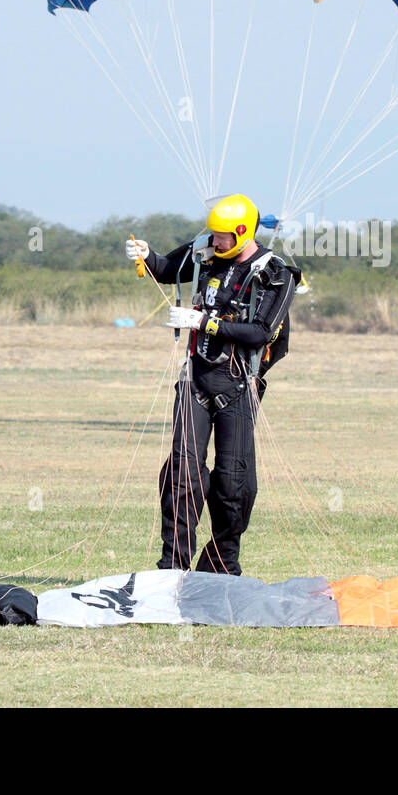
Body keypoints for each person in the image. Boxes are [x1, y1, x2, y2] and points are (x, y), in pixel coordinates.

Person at [125, 194, 300, 575]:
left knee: (233, 482)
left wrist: (204, 323)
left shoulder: (276, 272)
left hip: (238, 386)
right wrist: (145, 254)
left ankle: (220, 565)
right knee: (182, 473)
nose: (214, 242)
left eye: (222, 237)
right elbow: (168, 269)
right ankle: (172, 567)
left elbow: (261, 331)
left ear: (241, 232)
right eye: (213, 235)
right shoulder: (207, 254)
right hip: (194, 381)